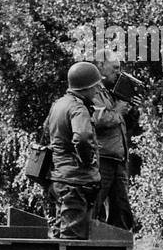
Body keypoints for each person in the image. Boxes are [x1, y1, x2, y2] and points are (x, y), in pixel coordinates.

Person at [44, 62, 104, 240]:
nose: (97, 90)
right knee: (73, 239)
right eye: (95, 86)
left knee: (59, 233)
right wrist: (87, 161)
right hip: (75, 181)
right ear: (87, 87)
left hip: (59, 179)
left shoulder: (59, 104)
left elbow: (47, 130)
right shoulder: (78, 108)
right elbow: (83, 137)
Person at [92, 57, 136, 231]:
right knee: (95, 209)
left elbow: (123, 125)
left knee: (122, 212)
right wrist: (118, 111)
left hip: (117, 159)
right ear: (101, 66)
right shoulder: (93, 92)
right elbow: (97, 119)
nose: (118, 72)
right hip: (102, 159)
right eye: (115, 68)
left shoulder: (110, 93)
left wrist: (130, 111)